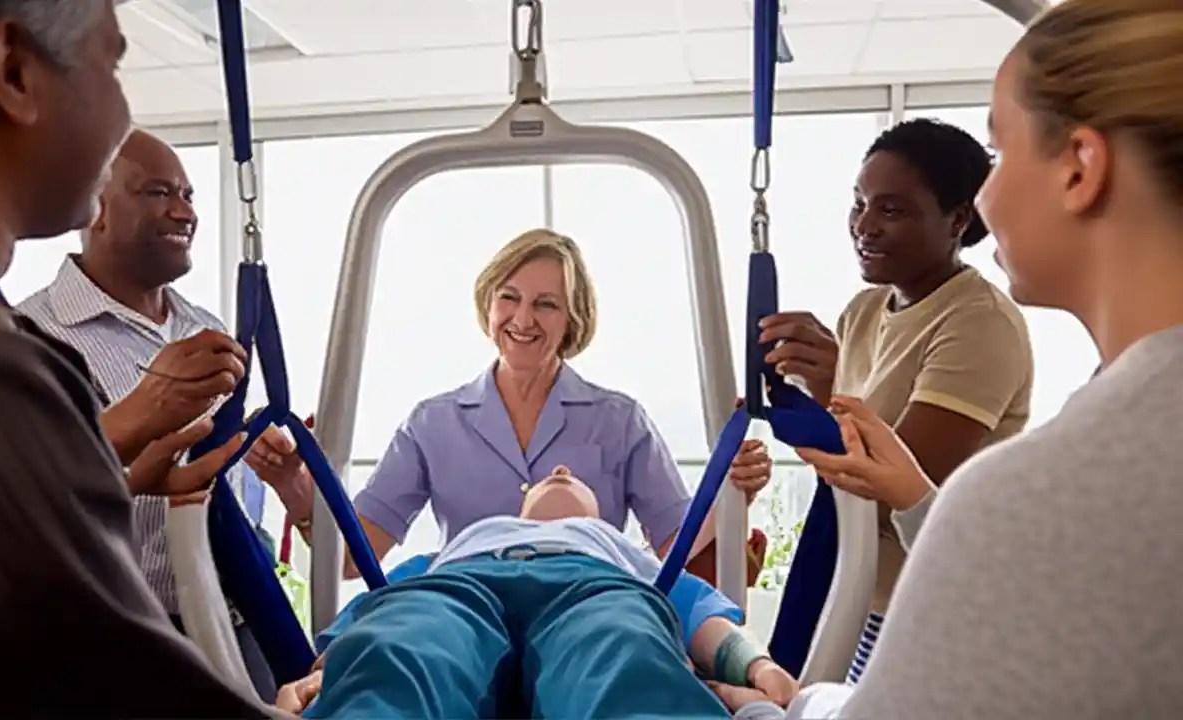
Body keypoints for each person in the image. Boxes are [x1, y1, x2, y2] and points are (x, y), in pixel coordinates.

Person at [745, 0, 1183, 716]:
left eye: (1001, 153)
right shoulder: (1105, 451)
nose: (987, 194)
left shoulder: (1035, 494)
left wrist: (766, 709)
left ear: (1079, 168)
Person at [0, 1, 293, 715]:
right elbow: (100, 677)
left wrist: (106, 488)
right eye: (111, 66)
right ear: (14, 71)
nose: (121, 111)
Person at [249, 228, 771, 584]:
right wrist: (293, 483)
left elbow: (674, 549)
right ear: (488, 303)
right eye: (509, 297)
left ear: (573, 318)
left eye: (546, 304)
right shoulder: (433, 423)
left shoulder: (619, 419)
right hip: (470, 619)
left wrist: (731, 491)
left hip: (584, 616)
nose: (523, 318)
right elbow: (351, 559)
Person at [757, 118, 1034, 681]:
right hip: (861, 596)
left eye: (891, 210)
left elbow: (900, 484)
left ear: (957, 219)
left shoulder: (976, 322)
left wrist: (809, 418)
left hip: (931, 608)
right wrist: (815, 390)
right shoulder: (863, 312)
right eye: (859, 203)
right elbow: (853, 434)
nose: (864, 225)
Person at [17, 128, 289, 701]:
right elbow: (19, 501)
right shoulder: (31, 338)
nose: (184, 211)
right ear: (94, 207)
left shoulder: (207, 328)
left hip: (240, 625)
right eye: (159, 191)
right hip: (121, 642)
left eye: (188, 194)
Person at [282, 470, 799, 719]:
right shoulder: (463, 544)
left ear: (599, 517)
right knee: (409, 644)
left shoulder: (618, 551)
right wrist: (321, 676)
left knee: (621, 648)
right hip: (461, 585)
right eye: (550, 476)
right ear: (519, 505)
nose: (561, 469)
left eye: (575, 477)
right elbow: (384, 617)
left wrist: (758, 667)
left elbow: (693, 613)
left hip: (593, 589)